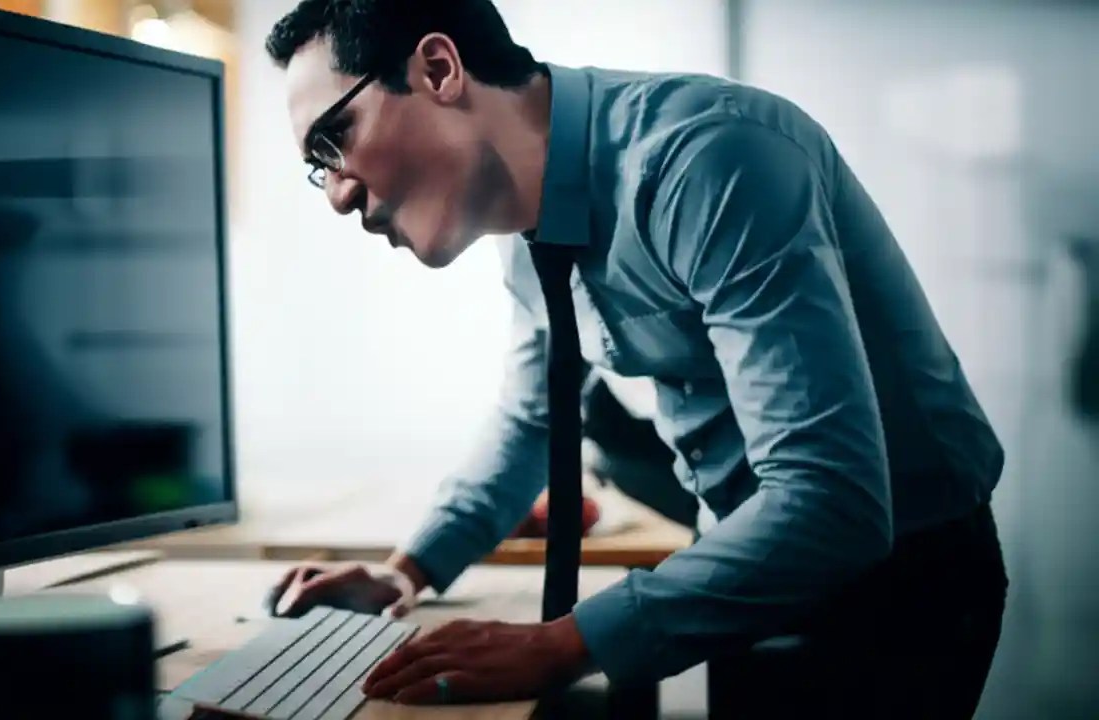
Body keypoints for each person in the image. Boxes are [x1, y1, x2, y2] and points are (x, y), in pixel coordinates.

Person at [262, 1, 1009, 716]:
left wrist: (563, 645)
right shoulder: (526, 239)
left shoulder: (710, 159)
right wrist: (407, 572)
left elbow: (832, 500)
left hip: (905, 582)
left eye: (335, 139)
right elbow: (533, 425)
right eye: (315, 168)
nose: (335, 196)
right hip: (751, 559)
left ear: (436, 67)